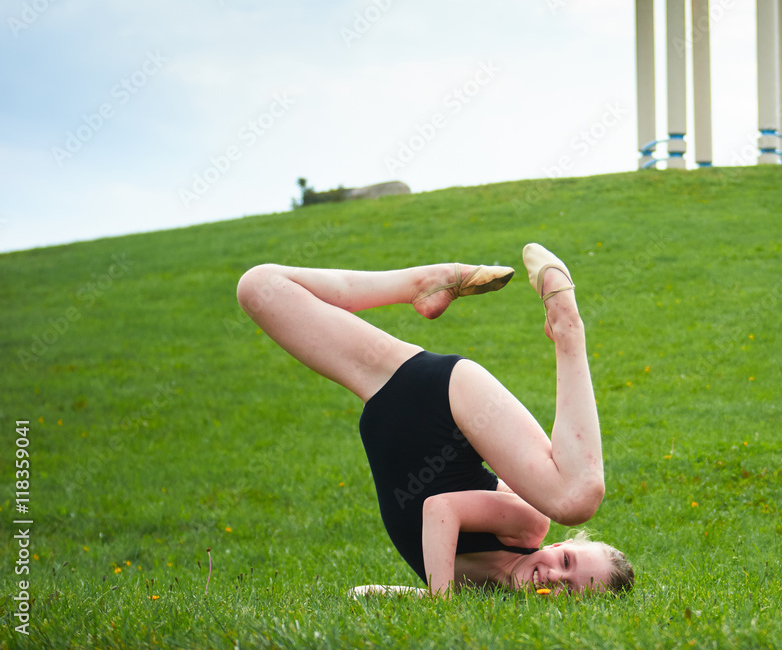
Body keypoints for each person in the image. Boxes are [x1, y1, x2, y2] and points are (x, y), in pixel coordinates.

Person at [236, 243, 634, 596]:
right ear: (556, 548)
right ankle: (567, 327)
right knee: (575, 497)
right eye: (566, 563)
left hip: (389, 391)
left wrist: (430, 595)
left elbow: (364, 593)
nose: (553, 577)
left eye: (570, 591)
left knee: (259, 288)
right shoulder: (527, 525)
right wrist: (439, 602)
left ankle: (423, 283)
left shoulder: (478, 593)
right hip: (451, 402)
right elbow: (440, 509)